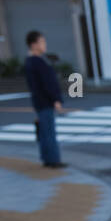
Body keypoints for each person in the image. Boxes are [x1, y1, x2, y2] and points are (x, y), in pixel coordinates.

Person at [24, 30, 66, 168]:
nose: (44, 44)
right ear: (34, 44)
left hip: (38, 101)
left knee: (44, 131)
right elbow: (47, 83)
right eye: (42, 42)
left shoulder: (30, 62)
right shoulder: (38, 63)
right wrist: (56, 100)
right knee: (49, 131)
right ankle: (53, 160)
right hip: (45, 101)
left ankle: (47, 158)